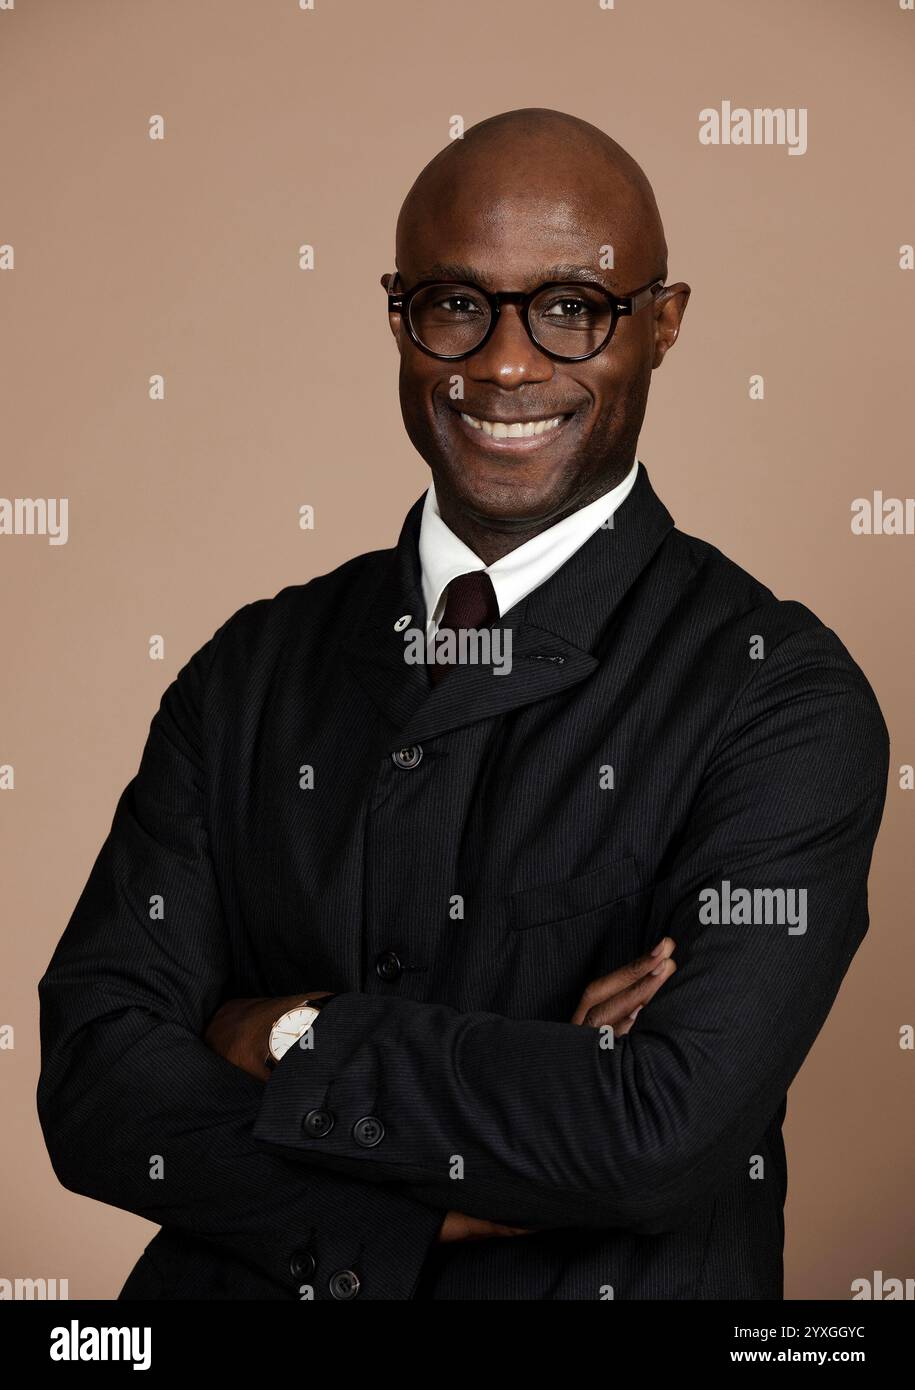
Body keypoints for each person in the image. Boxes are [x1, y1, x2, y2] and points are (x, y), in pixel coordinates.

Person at [37, 108, 889, 1301]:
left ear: (665, 323)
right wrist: (446, 1183)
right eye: (454, 304)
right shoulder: (251, 667)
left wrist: (290, 1035)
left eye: (572, 308)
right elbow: (92, 1080)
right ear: (399, 318)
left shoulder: (780, 695)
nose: (504, 362)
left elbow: (657, 1133)